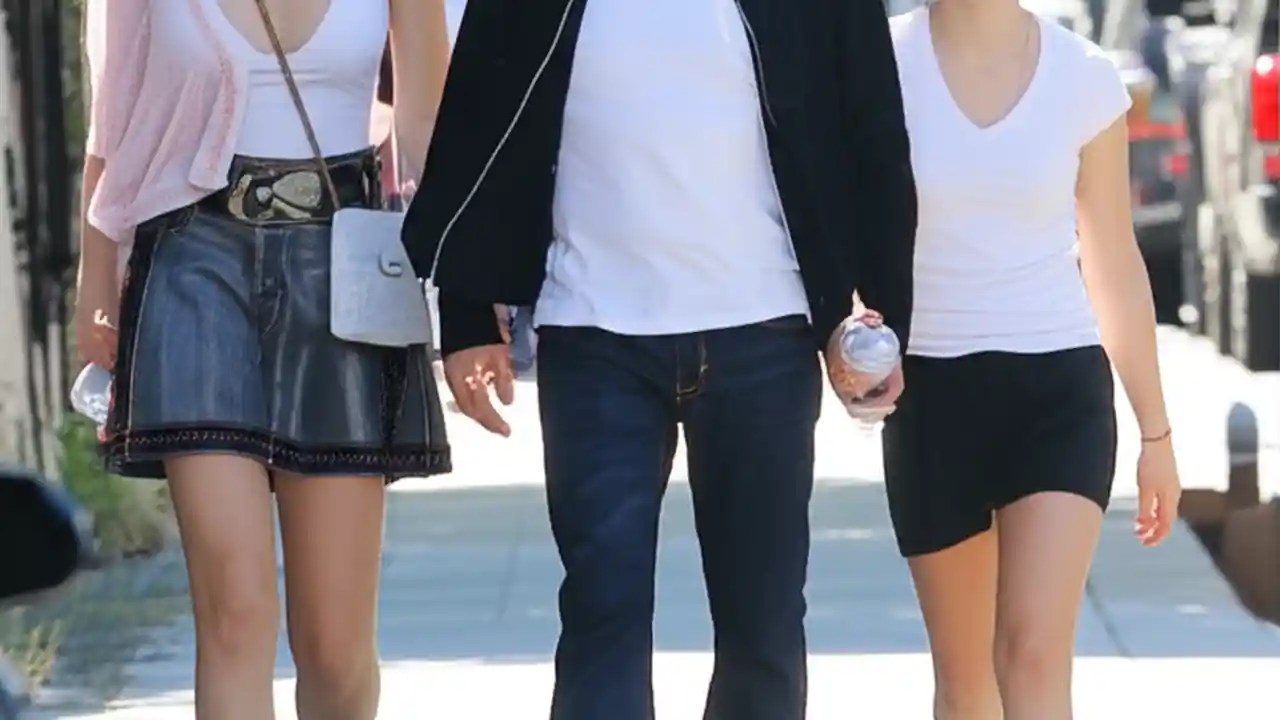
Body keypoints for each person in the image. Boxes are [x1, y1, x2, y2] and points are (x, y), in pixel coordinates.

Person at [403, 1, 917, 718]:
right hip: (593, 336)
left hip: (764, 332)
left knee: (762, 625)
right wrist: (464, 310)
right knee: (599, 612)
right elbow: (482, 113)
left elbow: (872, 124)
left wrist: (882, 319)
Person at [74, 1, 451, 717]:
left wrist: (465, 292)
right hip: (194, 256)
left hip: (343, 271)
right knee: (235, 614)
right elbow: (112, 114)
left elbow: (426, 125)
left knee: (336, 649)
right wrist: (97, 277)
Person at [883, 3, 1182, 719]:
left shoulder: (1084, 76)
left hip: (1057, 387)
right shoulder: (881, 63)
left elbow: (1111, 255)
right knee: (966, 685)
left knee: (1032, 656)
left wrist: (1155, 433)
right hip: (931, 392)